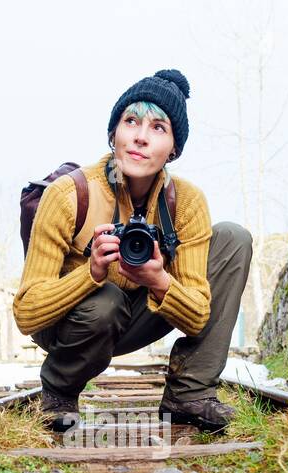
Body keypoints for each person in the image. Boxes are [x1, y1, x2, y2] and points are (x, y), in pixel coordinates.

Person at [13, 69, 253, 434]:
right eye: (131, 121)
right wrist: (90, 274)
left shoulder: (186, 203)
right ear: (114, 133)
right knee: (105, 300)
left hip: (139, 316)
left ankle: (189, 393)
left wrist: (159, 280)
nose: (141, 137)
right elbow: (27, 314)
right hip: (72, 326)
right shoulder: (68, 194)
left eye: (158, 127)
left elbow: (198, 316)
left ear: (173, 148)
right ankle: (59, 392)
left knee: (233, 238)